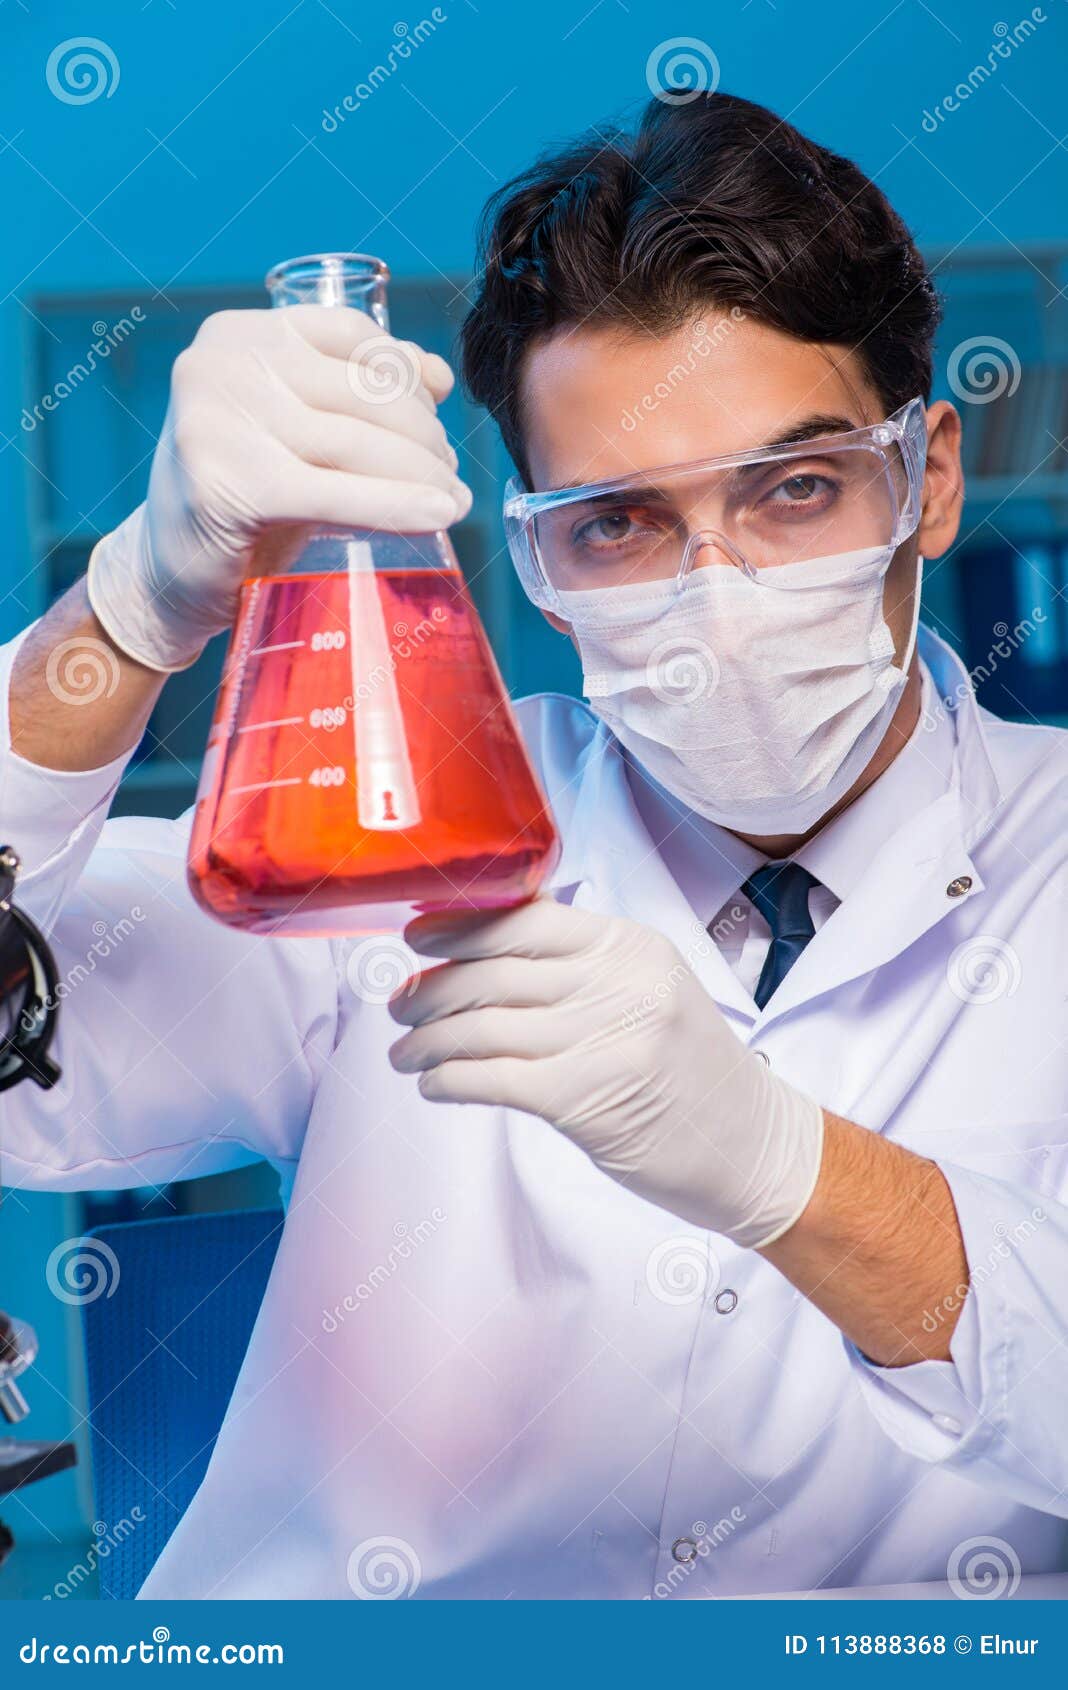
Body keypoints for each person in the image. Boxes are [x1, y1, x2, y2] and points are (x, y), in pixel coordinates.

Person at [2, 91, 1066, 1600]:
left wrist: (788, 1167)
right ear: (532, 556)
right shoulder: (379, 838)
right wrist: (126, 617)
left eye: (799, 488)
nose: (720, 592)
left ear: (931, 479)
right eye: (619, 523)